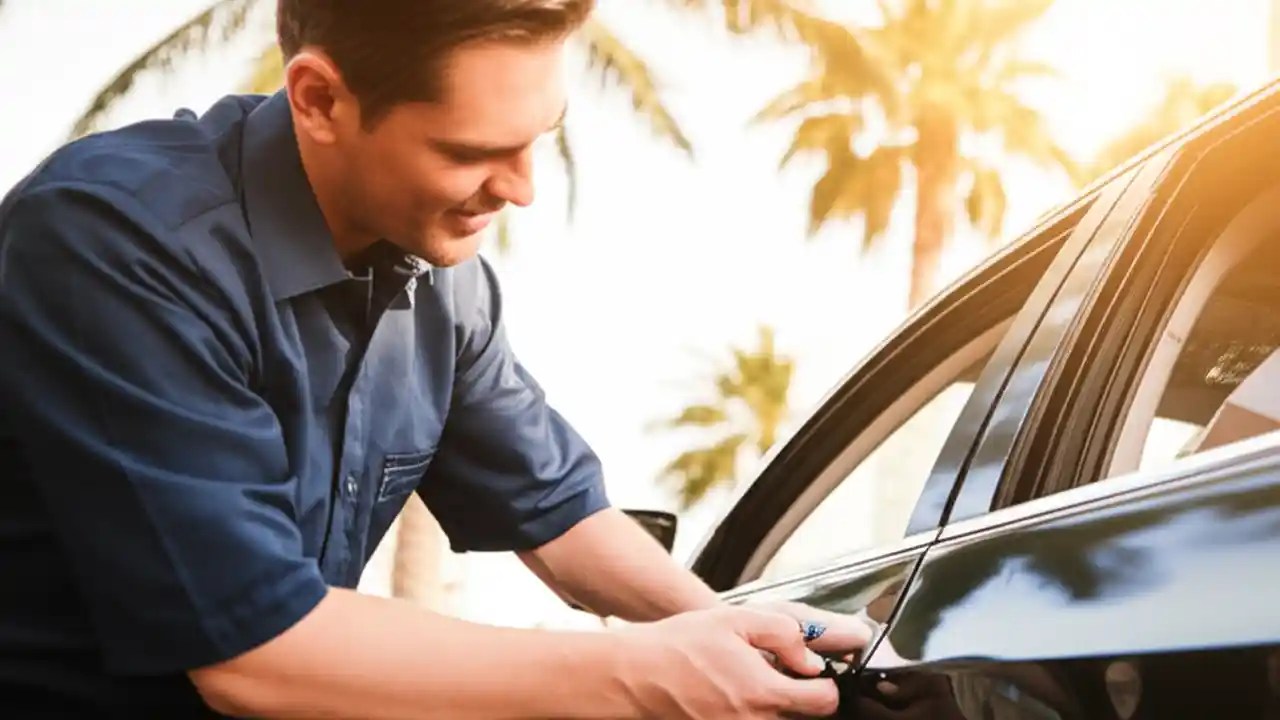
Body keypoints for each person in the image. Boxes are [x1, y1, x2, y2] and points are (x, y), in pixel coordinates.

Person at [0, 0, 870, 717]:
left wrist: (743, 628)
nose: (523, 187)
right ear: (319, 100)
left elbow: (560, 520)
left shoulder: (444, 283)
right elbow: (250, 651)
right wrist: (646, 675)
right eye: (472, 152)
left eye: (540, 138)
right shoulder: (114, 242)